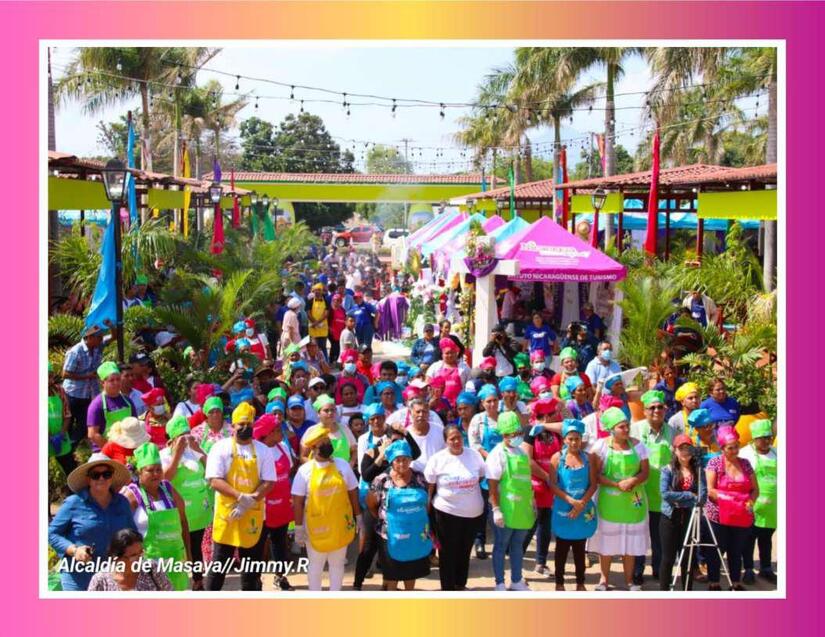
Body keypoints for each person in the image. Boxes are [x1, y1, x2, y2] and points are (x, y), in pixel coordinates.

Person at [205, 403, 276, 591]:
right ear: (233, 426)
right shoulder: (220, 448)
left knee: (251, 570)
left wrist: (250, 501)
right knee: (218, 566)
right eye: (241, 424)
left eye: (248, 424)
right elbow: (214, 480)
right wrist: (240, 497)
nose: (245, 428)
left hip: (252, 515)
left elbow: (269, 482)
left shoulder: (263, 450)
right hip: (227, 515)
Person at [49, 453, 135, 591]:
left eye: (106, 474)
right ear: (88, 479)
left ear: (112, 477)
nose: (101, 478)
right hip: (78, 578)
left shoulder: (122, 502)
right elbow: (52, 534)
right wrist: (74, 550)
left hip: (113, 577)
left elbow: (132, 534)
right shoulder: (73, 503)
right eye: (96, 475)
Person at [355, 413, 422, 590]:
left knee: (392, 548)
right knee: (368, 547)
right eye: (394, 441)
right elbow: (366, 475)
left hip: (396, 509)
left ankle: (388, 584)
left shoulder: (403, 455)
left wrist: (406, 433)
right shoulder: (373, 451)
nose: (397, 445)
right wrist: (382, 455)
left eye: (400, 441)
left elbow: (416, 453)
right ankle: (357, 584)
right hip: (374, 505)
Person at [588, 407, 650, 591]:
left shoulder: (638, 446)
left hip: (633, 502)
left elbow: (645, 472)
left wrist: (632, 480)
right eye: (621, 427)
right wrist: (616, 484)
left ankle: (629, 581)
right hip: (610, 502)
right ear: (611, 429)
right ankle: (604, 580)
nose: (626, 429)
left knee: (630, 545)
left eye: (627, 425)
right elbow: (595, 475)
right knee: (607, 544)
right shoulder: (600, 447)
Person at [292, 427, 361, 591]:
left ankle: (334, 597)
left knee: (337, 564)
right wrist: (298, 527)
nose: (326, 444)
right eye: (321, 443)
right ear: (313, 448)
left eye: (327, 441)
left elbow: (352, 492)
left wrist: (358, 516)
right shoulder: (305, 470)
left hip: (340, 525)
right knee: (316, 565)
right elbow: (298, 501)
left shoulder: (342, 465)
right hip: (315, 528)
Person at [122, 442, 191, 591]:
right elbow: (121, 531)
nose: (156, 474)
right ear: (139, 472)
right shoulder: (132, 495)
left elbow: (183, 522)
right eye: (150, 470)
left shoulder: (168, 488)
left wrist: (189, 555)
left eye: (159, 469)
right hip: (148, 565)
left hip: (176, 562)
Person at [424, 425, 486, 590]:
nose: (457, 441)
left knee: (465, 550)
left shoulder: (474, 455)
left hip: (473, 513)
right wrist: (427, 510)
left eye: (459, 437)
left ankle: (460, 584)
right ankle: (448, 588)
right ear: (446, 441)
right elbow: (430, 486)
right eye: (452, 439)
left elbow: (480, 477)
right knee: (447, 552)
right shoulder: (437, 459)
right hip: (446, 513)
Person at [368, 440, 433, 591]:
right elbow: (371, 504)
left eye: (405, 459)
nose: (402, 463)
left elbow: (427, 503)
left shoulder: (419, 478)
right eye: (398, 460)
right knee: (392, 573)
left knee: (411, 570)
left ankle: (409, 595)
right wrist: (384, 519)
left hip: (416, 534)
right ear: (391, 461)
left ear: (410, 460)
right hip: (390, 535)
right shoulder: (382, 480)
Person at [631, 390, 677, 585]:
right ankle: (637, 570)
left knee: (659, 534)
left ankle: (659, 568)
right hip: (639, 490)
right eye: (652, 408)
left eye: (660, 407)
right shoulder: (635, 430)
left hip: (662, 492)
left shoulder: (672, 432)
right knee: (640, 533)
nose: (657, 410)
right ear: (644, 411)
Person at [161, 415, 212, 591]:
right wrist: (176, 455)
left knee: (196, 547)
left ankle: (198, 581)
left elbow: (211, 469)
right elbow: (165, 478)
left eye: (188, 435)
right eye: (181, 437)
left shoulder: (194, 451)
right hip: (179, 512)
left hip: (198, 511)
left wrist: (198, 449)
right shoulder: (165, 455)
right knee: (180, 547)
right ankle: (175, 582)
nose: (186, 440)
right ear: (172, 439)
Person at [705, 426, 758, 591]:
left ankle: (735, 581)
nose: (735, 450)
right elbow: (711, 490)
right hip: (718, 515)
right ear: (722, 448)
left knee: (737, 549)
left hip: (741, 515)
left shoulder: (745, 464)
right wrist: (732, 501)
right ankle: (714, 581)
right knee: (716, 549)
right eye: (730, 448)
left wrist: (750, 502)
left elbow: (755, 489)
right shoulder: (714, 463)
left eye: (736, 446)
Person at [486, 411, 535, 591]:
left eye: (519, 433)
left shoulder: (521, 452)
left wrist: (532, 503)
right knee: (501, 545)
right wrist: (496, 509)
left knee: (517, 546)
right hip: (505, 509)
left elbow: (526, 481)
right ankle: (499, 582)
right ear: (504, 434)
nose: (517, 436)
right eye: (514, 434)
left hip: (522, 508)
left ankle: (516, 580)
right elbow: (492, 486)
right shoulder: (497, 454)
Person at [549, 419, 598, 591]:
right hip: (563, 509)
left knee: (579, 548)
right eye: (570, 439)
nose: (574, 442)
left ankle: (580, 583)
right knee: (561, 549)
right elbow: (552, 485)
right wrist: (571, 501)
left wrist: (581, 504)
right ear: (564, 439)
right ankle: (559, 583)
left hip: (583, 509)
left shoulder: (589, 459)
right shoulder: (557, 459)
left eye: (577, 438)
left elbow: (593, 484)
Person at [659, 434, 707, 591]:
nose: (685, 452)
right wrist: (689, 496)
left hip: (689, 517)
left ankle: (687, 592)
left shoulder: (698, 470)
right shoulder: (667, 470)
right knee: (668, 558)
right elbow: (665, 494)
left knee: (688, 557)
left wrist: (682, 498)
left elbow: (702, 497)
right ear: (675, 450)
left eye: (688, 448)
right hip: (669, 517)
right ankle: (664, 592)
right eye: (681, 448)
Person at [254, 413, 296, 591]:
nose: (281, 433)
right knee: (258, 545)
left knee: (280, 543)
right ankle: (255, 579)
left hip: (282, 505)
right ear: (268, 433)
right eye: (278, 430)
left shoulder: (283, 447)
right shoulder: (256, 451)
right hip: (263, 507)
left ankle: (280, 577)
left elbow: (290, 469)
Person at [522, 398, 563, 577]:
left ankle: (541, 562)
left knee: (545, 525)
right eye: (553, 414)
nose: (556, 416)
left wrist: (546, 426)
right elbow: (527, 460)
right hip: (535, 484)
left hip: (550, 485)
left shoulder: (554, 431)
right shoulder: (529, 431)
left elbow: (567, 427)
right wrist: (546, 477)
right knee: (530, 524)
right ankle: (517, 560)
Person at [739, 419, 777, 585]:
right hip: (752, 505)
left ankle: (766, 568)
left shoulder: (777, 453)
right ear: (755, 438)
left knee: (766, 538)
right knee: (749, 538)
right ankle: (748, 569)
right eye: (763, 438)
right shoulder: (745, 454)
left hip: (771, 507)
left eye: (769, 437)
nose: (767, 441)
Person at [62, 325, 105, 451]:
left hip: (86, 395)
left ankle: (71, 447)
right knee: (69, 424)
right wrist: (87, 376)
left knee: (84, 425)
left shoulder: (97, 347)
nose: (101, 340)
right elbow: (65, 374)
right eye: (99, 337)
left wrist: (111, 326)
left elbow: (113, 337)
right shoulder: (76, 352)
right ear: (90, 337)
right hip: (72, 394)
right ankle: (67, 452)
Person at [87, 528, 173, 591]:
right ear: (117, 558)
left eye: (141, 552)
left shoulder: (151, 568)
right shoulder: (101, 580)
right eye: (134, 555)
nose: (140, 558)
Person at [86, 362, 137, 451]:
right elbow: (92, 434)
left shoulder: (128, 401)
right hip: (104, 451)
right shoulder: (97, 405)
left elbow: (135, 424)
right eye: (112, 380)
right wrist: (113, 450)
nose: (116, 383)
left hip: (128, 447)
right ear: (102, 382)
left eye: (118, 379)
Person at [301, 394, 357, 466]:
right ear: (318, 413)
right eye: (326, 410)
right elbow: (303, 456)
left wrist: (350, 465)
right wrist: (316, 467)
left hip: (343, 472)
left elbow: (354, 450)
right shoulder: (311, 431)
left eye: (333, 410)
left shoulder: (344, 429)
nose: (330, 413)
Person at [48, 361, 75, 477]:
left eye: (50, 376)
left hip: (61, 437)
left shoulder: (59, 390)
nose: (48, 379)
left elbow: (67, 415)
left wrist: (61, 434)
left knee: (71, 470)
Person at [426, 338, 470, 405]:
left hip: (459, 404)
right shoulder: (434, 367)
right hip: (438, 405)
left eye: (452, 353)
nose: (450, 355)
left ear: (456, 353)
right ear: (442, 354)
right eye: (447, 353)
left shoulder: (464, 368)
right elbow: (428, 384)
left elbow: (469, 385)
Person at [308, 282, 331, 357]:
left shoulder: (326, 301)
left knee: (323, 347)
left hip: (322, 328)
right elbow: (308, 313)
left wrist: (316, 323)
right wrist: (315, 323)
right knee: (313, 347)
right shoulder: (310, 301)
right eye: (315, 290)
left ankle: (325, 362)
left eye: (319, 290)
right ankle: (314, 362)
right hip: (313, 328)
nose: (317, 292)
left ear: (322, 291)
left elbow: (326, 314)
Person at [328, 293, 347, 365]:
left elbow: (345, 319)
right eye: (334, 300)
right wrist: (329, 328)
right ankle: (332, 360)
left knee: (339, 346)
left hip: (340, 331)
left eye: (338, 300)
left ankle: (337, 360)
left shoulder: (342, 310)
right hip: (332, 331)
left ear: (340, 301)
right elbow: (327, 320)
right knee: (334, 346)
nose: (336, 302)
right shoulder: (330, 310)